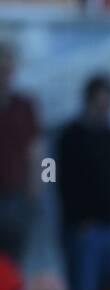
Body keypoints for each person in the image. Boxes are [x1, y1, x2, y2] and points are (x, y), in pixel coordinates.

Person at [55, 74, 110, 290]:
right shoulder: (72, 136)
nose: (104, 108)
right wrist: (79, 221)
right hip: (85, 230)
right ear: (88, 101)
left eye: (108, 102)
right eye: (100, 102)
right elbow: (67, 185)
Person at [0, 42, 41, 262]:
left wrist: (42, 184)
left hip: (15, 199)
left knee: (11, 268)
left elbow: (39, 152)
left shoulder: (25, 106)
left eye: (6, 69)